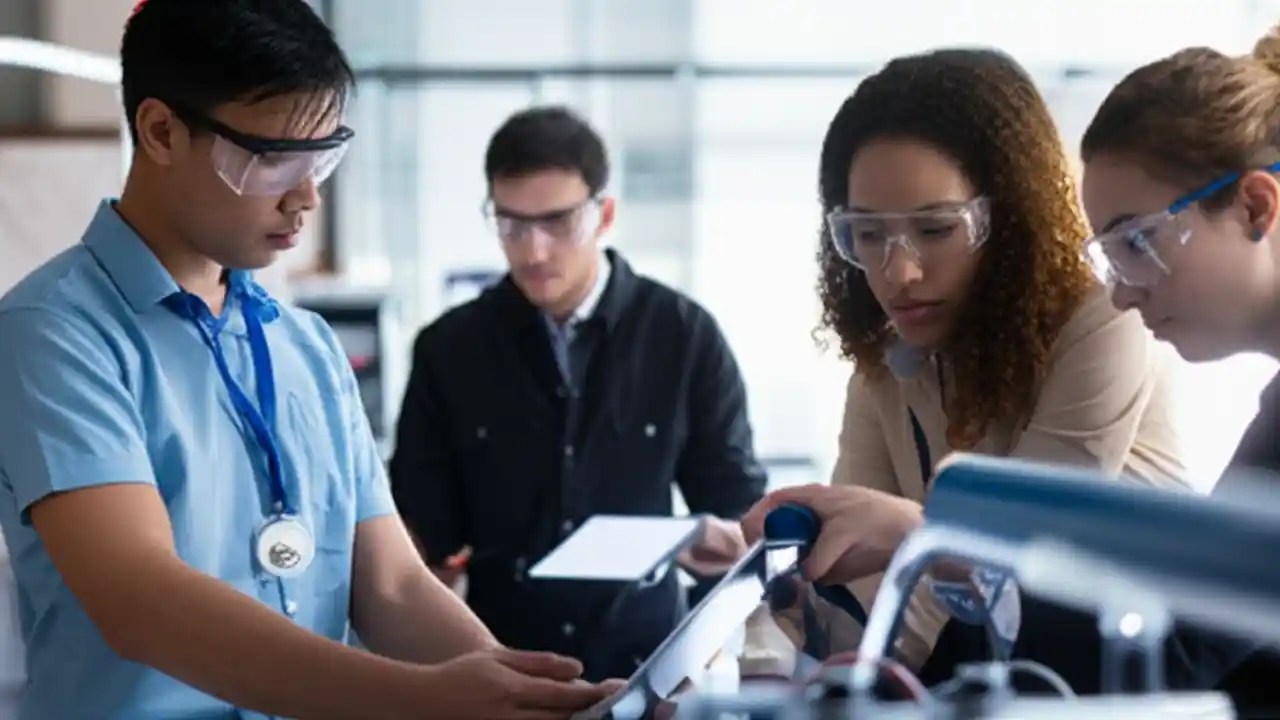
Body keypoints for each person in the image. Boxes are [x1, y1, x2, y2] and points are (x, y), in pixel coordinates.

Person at [0, 2, 617, 718]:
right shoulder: (54, 332)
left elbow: (390, 587)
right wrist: (420, 701)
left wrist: (532, 698)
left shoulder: (307, 347)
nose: (307, 197)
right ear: (161, 132)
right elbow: (141, 600)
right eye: (274, 159)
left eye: (323, 155)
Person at [738, 47, 1189, 676]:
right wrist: (780, 615)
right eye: (867, 234)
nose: (899, 272)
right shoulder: (883, 364)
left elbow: (1023, 542)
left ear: (1010, 223)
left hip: (1134, 677)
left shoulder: (1101, 324)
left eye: (936, 229)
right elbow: (874, 604)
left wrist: (906, 533)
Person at [390, 105, 767, 681]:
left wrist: (721, 537)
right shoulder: (450, 348)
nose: (534, 251)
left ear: (604, 214)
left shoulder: (682, 335)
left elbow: (737, 502)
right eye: (512, 225)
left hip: (650, 669)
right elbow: (422, 526)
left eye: (558, 223)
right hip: (499, 667)